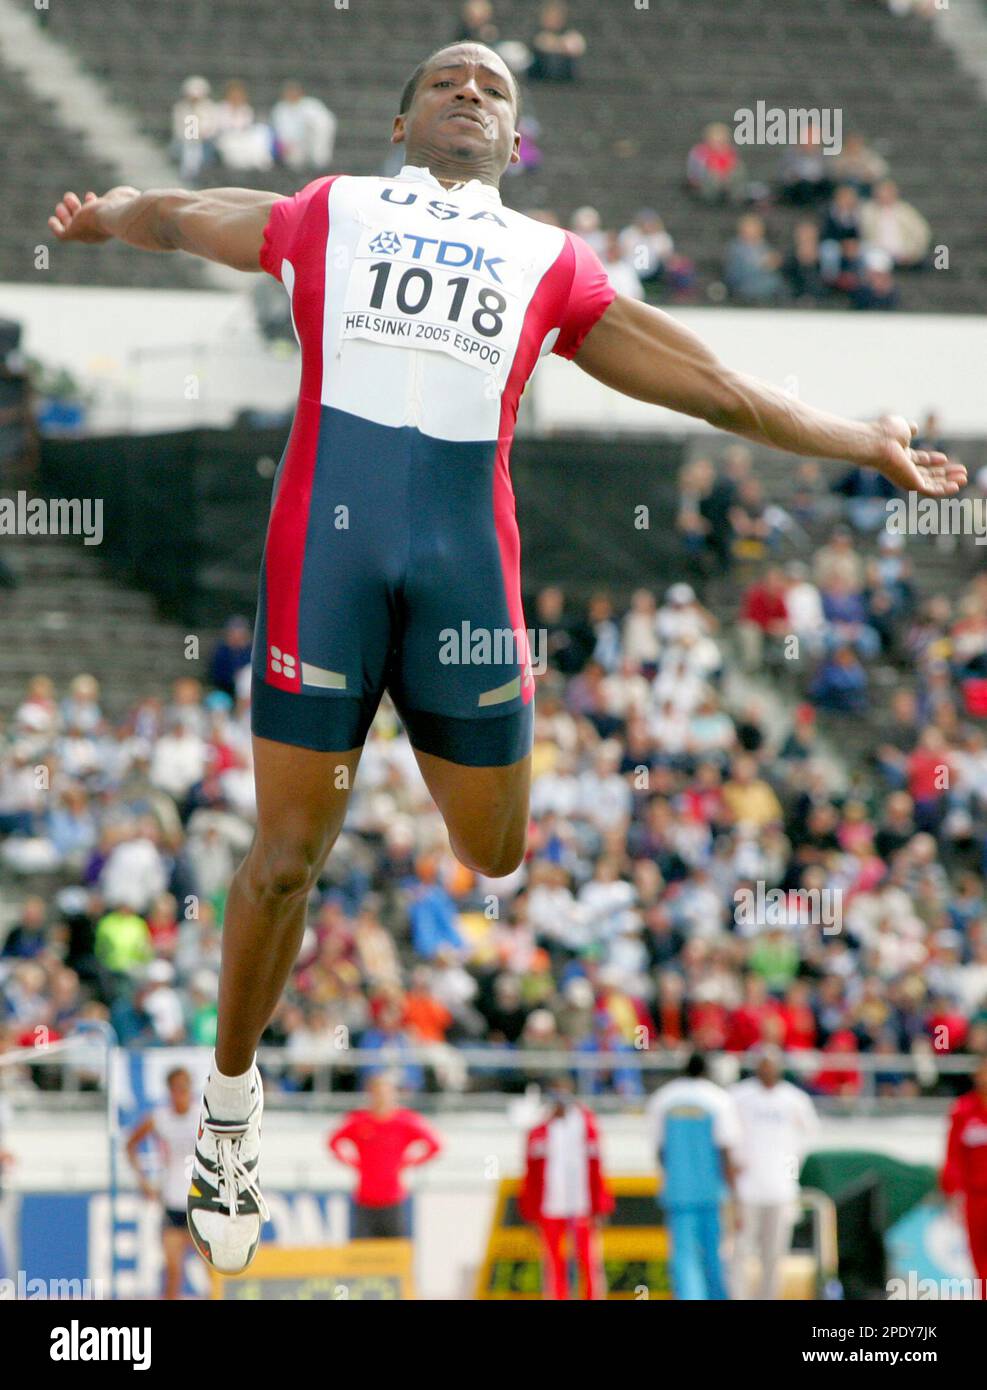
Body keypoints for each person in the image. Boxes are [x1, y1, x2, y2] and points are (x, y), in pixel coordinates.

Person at [47, 39, 965, 1276]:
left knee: (495, 848)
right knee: (280, 861)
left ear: (518, 135)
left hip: (467, 589)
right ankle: (229, 1109)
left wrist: (865, 441)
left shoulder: (551, 260)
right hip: (322, 561)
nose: (471, 88)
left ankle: (425, 774)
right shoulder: (335, 211)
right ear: (400, 118)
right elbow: (188, 209)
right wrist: (107, 214)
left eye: (494, 85)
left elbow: (715, 389)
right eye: (446, 79)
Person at [648, 1052, 740, 1300]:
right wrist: (735, 1195)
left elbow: (660, 1149)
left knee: (683, 1256)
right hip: (711, 1191)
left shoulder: (663, 1099)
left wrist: (671, 1178)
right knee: (715, 1254)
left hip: (678, 1191)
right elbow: (726, 1150)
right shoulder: (718, 1100)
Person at [729, 1048, 819, 1300]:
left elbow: (808, 1136)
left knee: (774, 1254)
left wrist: (791, 1168)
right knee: (741, 1252)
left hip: (780, 1190)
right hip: (747, 1190)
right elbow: (726, 1135)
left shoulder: (795, 1099)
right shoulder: (739, 1096)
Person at [518, 1077, 613, 1299]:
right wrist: (531, 1212)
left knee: (589, 1263)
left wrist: (600, 1206)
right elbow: (530, 1174)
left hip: (581, 1207)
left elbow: (597, 1167)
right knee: (553, 1265)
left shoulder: (586, 1125)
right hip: (551, 1206)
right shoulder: (539, 1129)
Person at [327, 1072, 441, 1238]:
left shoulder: (405, 1121)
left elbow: (435, 1145)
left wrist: (410, 1162)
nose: (381, 1098)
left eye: (386, 1093)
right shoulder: (359, 1121)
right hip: (364, 1199)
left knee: (395, 1253)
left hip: (393, 1199)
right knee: (363, 1254)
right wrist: (352, 1163)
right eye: (377, 1093)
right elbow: (333, 1142)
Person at [125, 1067, 198, 1300]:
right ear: (169, 1091)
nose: (181, 1093)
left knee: (212, 1272)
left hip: (201, 1202)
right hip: (173, 1200)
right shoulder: (160, 1118)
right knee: (174, 1272)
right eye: (177, 1088)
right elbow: (131, 1144)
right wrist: (144, 1181)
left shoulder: (202, 1116)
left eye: (185, 1087)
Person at [941, 1055, 987, 1295]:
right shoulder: (963, 1110)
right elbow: (953, 1156)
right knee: (979, 1258)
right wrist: (952, 1191)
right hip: (976, 1197)